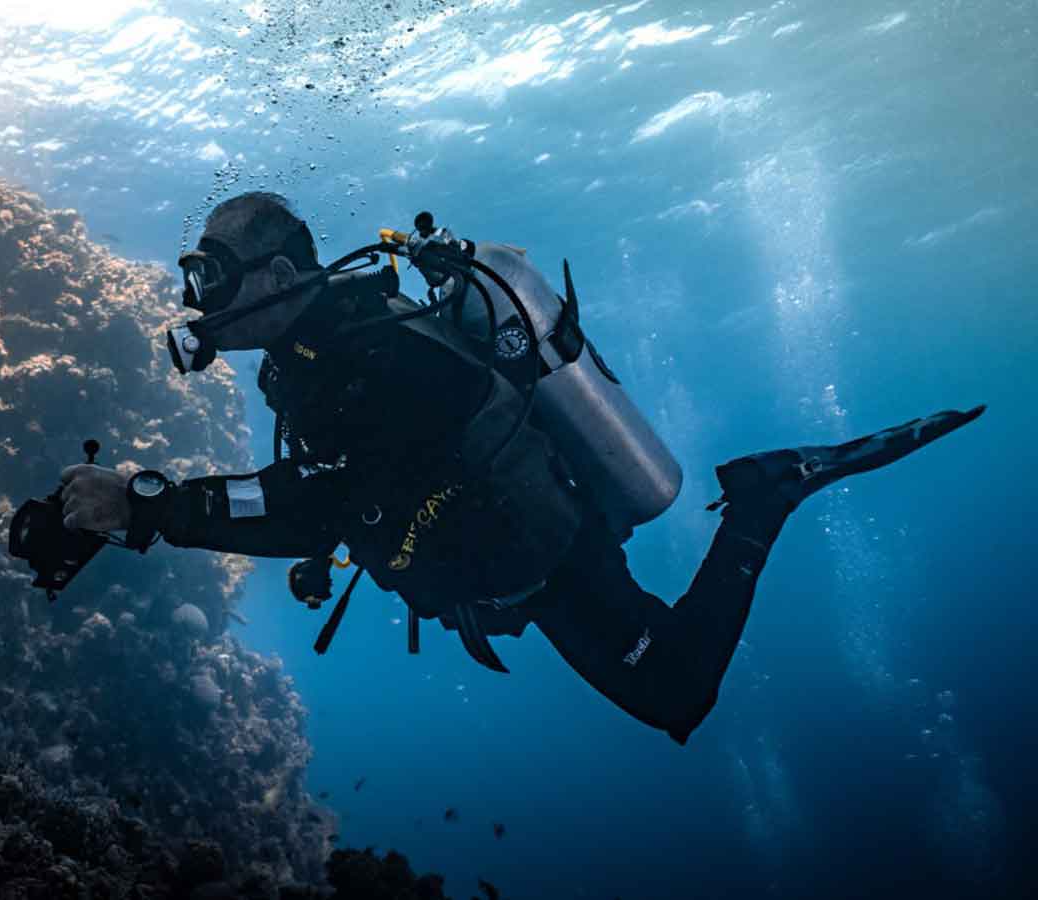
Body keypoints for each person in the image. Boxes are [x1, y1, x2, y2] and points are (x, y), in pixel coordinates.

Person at [59, 192, 984, 745]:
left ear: (272, 277)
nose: (197, 299)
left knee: (676, 693)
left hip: (550, 555)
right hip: (509, 568)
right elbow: (337, 488)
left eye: (212, 276)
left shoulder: (363, 351)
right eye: (196, 277)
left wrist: (149, 506)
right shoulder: (314, 357)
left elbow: (316, 500)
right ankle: (763, 498)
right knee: (670, 690)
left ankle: (764, 501)